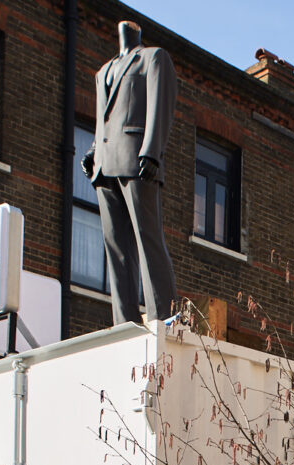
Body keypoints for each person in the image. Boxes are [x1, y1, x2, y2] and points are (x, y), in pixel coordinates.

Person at [82, 20, 179, 327]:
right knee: (116, 246)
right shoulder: (103, 72)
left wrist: (152, 150)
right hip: (104, 163)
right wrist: (92, 151)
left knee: (147, 236)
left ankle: (163, 314)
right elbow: (104, 120)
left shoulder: (153, 57)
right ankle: (124, 321)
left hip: (137, 159)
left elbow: (160, 105)